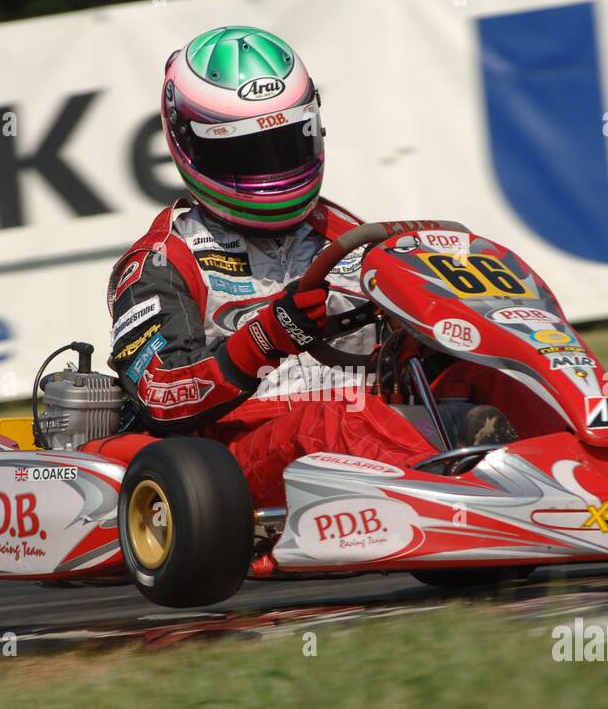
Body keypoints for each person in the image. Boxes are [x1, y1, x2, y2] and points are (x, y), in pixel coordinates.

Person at [106, 26, 434, 507]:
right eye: (245, 153)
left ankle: (572, 462)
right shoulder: (162, 262)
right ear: (191, 145)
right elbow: (161, 397)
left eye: (285, 145)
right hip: (236, 460)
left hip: (370, 425)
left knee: (481, 381)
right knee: (335, 421)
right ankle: (467, 488)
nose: (272, 168)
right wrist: (263, 340)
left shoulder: (350, 234)